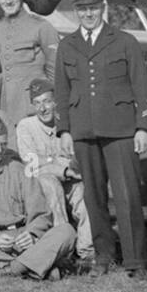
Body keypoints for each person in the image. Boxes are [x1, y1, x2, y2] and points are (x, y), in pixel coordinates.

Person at [53, 0, 147, 277]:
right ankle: (103, 258)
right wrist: (65, 131)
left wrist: (144, 127)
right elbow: (61, 91)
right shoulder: (67, 45)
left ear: (103, 7)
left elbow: (142, 86)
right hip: (83, 131)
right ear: (75, 11)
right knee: (93, 198)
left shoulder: (125, 41)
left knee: (127, 197)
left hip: (121, 130)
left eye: (93, 7)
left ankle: (135, 262)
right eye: (82, 8)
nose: (88, 13)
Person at [0, 111, 76, 280]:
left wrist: (31, 234)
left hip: (24, 240)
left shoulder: (20, 170)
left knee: (66, 232)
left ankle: (5, 269)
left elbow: (41, 213)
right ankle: (34, 265)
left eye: (3, 144)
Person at [14, 77, 94, 267]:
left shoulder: (69, 124)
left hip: (71, 181)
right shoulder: (26, 126)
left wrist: (51, 163)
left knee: (84, 192)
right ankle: (63, 249)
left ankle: (86, 252)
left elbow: (76, 159)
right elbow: (32, 166)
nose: (43, 108)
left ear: (56, 101)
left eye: (47, 101)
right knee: (49, 182)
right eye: (37, 103)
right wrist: (62, 168)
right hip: (41, 186)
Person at [0, 0, 60, 120]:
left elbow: (55, 71)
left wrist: (54, 106)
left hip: (33, 109)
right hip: (4, 109)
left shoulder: (41, 27)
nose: (8, 1)